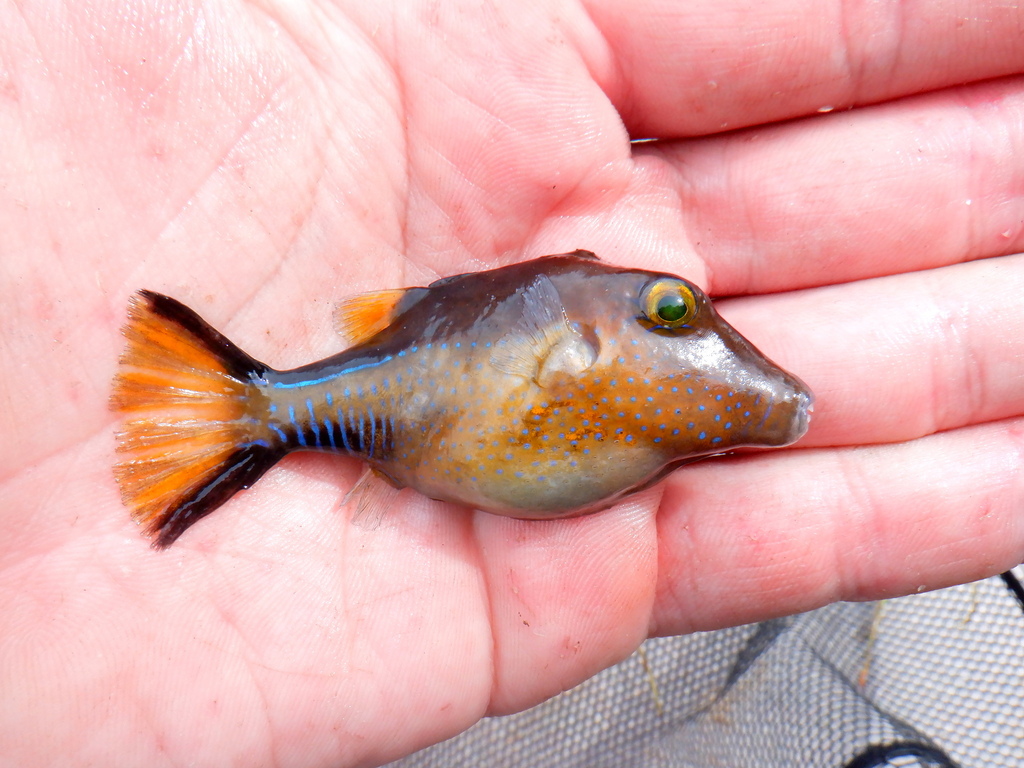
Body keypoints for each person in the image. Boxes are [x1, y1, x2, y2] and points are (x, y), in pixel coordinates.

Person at [1, 1, 1022, 765]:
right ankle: (255, 408)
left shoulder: (636, 422)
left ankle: (257, 408)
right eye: (671, 312)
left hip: (413, 425)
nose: (692, 331)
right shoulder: (581, 358)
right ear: (588, 346)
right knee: (278, 404)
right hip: (401, 418)